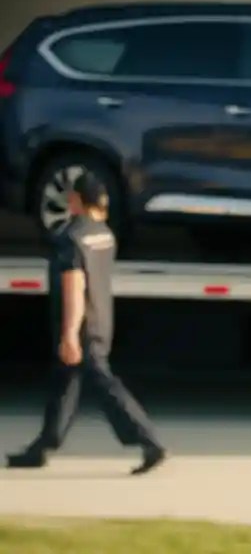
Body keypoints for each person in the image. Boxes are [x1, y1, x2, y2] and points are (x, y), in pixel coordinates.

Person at [6, 173, 167, 476]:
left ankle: (148, 440)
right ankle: (43, 446)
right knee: (64, 381)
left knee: (102, 382)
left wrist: (69, 333)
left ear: (76, 199)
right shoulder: (105, 234)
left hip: (81, 323)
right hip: (101, 318)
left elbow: (74, 284)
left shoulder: (70, 236)